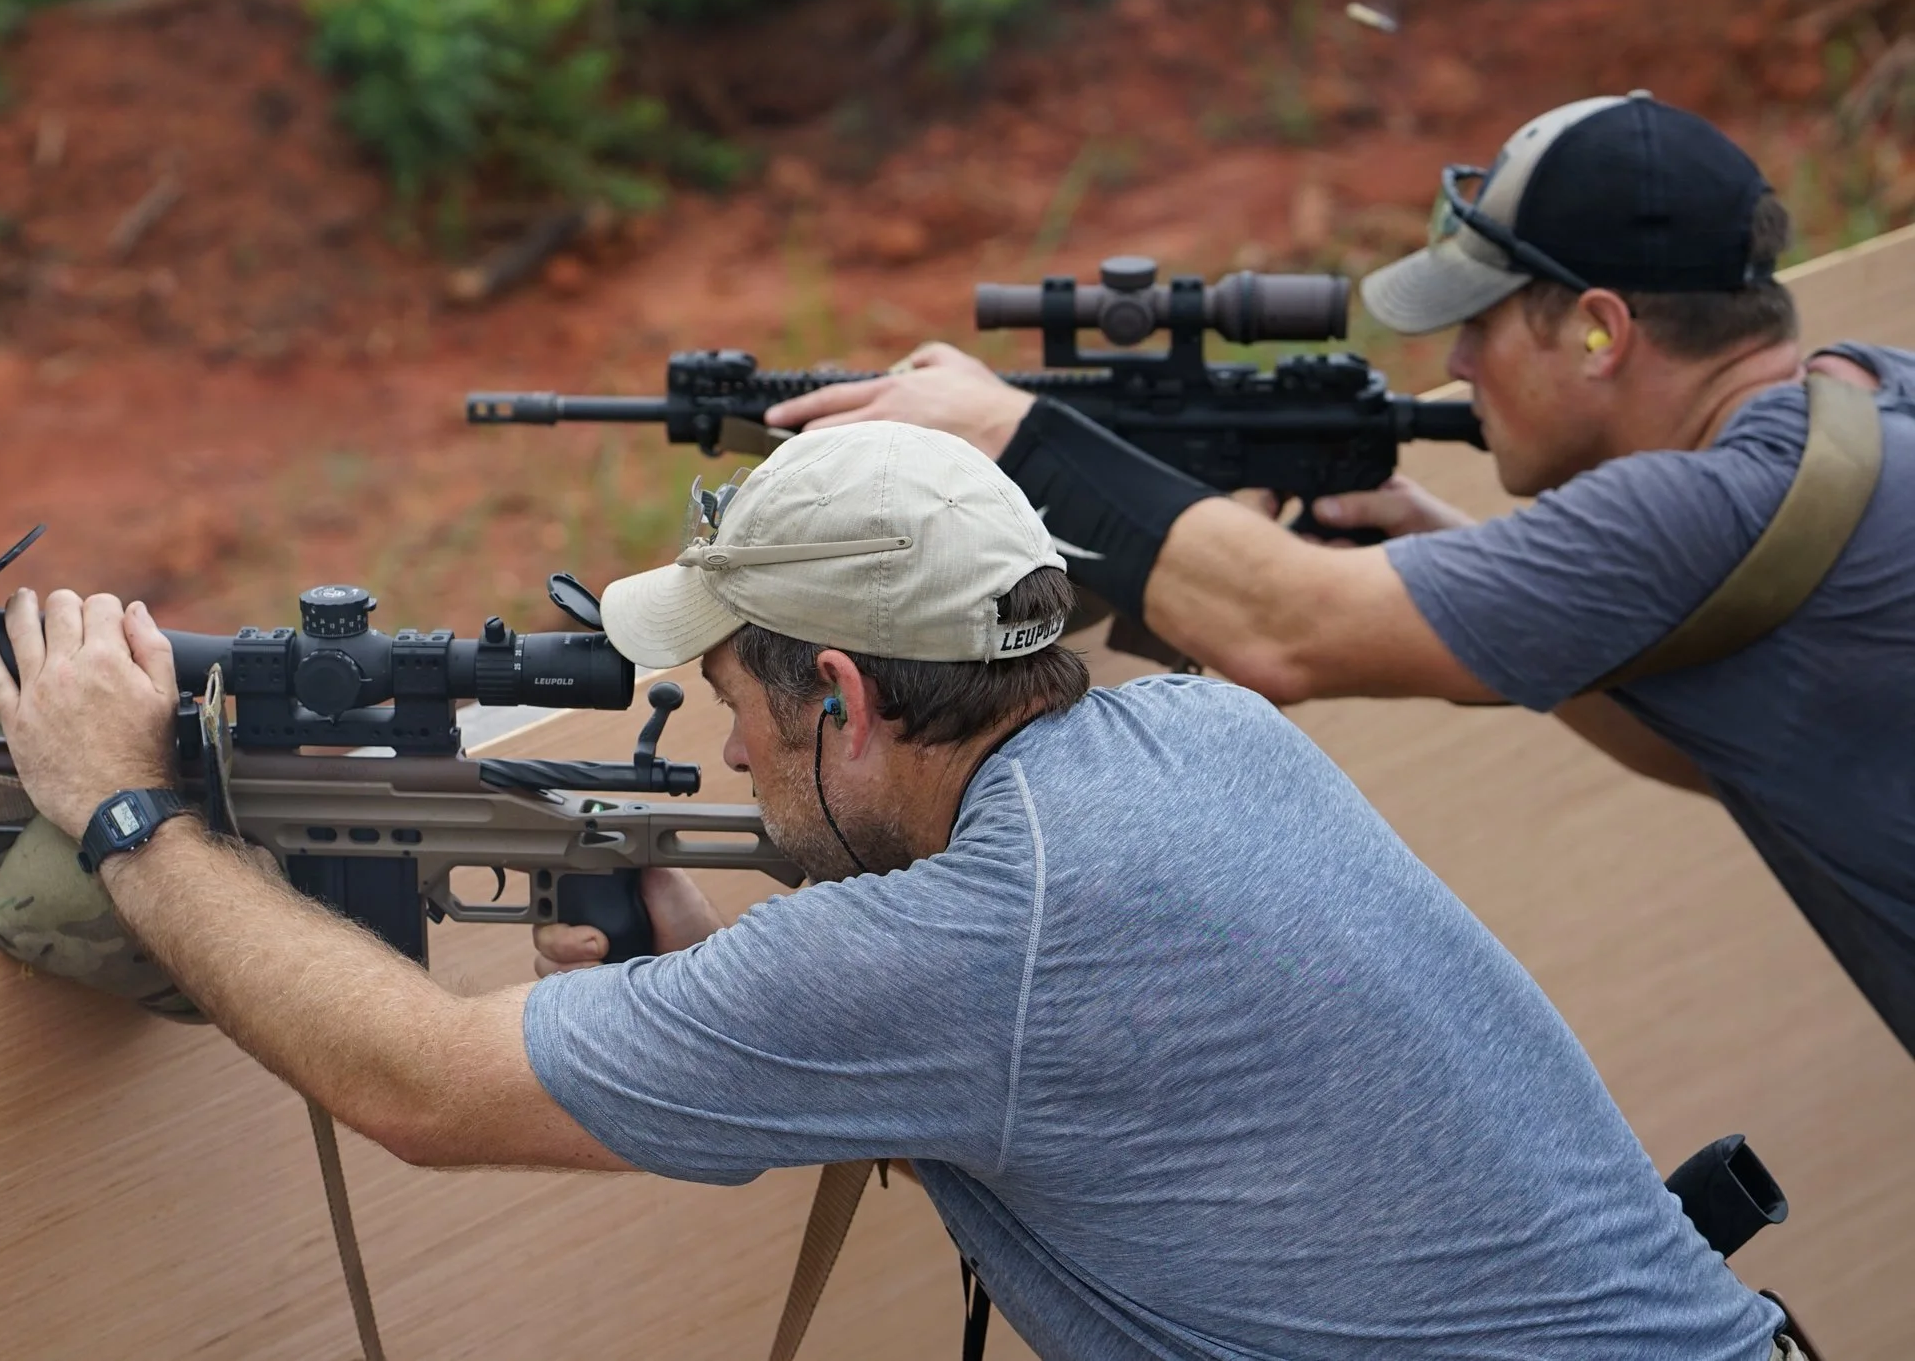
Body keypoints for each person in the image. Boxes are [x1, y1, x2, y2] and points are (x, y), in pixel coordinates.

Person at [0, 419, 1789, 1360]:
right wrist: (718, 990)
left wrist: (127, 809)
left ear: (839, 694)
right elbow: (1088, 1081)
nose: (726, 746)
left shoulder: (981, 936)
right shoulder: (1208, 739)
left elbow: (422, 1091)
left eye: (737, 696)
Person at [765, 93, 1915, 1061]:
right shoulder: (1870, 394)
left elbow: (1281, 629)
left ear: (1599, 331)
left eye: (1481, 322)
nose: (1455, 360)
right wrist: (1449, 567)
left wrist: (1011, 431)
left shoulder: (1705, 506)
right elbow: (1722, 749)